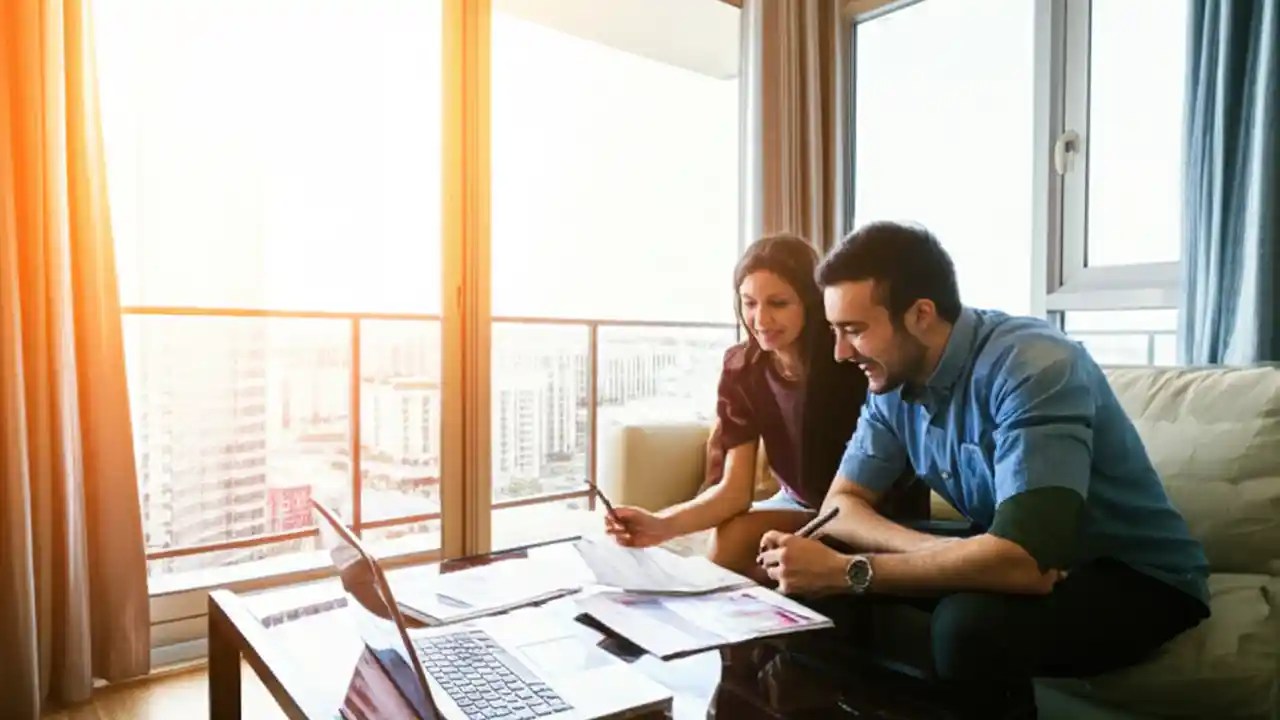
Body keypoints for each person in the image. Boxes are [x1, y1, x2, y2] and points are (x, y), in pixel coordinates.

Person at [757, 221, 1210, 718]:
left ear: (921, 315)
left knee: (967, 627)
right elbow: (840, 507)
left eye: (854, 330)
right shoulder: (891, 382)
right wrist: (947, 552)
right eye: (836, 332)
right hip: (1009, 544)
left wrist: (853, 572)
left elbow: (1025, 562)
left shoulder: (1033, 366)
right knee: (806, 566)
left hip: (1134, 575)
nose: (841, 353)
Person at [604, 234, 870, 580]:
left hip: (859, 509)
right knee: (727, 541)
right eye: (749, 303)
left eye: (778, 303)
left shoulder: (849, 366)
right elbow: (733, 492)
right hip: (796, 502)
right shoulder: (743, 368)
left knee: (738, 541)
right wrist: (659, 525)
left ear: (809, 300)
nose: (760, 319)